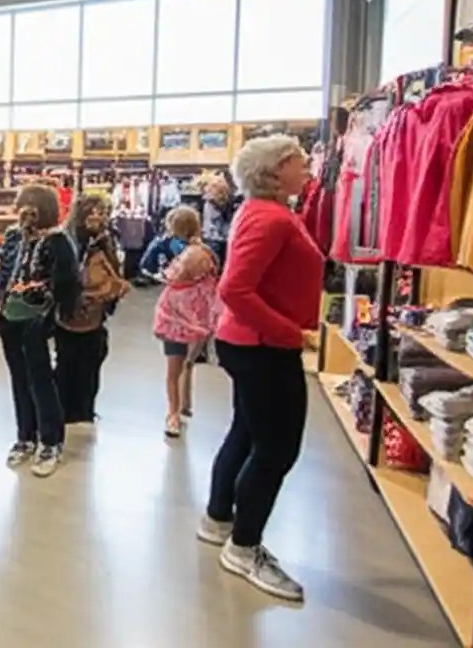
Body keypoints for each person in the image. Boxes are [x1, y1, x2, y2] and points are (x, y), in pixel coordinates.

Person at [197, 134, 322, 603]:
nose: (307, 162)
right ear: (273, 171)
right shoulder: (269, 218)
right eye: (297, 158)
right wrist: (293, 333)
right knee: (276, 449)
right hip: (262, 347)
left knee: (247, 433)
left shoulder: (266, 212)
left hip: (252, 342)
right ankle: (244, 546)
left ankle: (218, 519)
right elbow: (235, 288)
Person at [0, 185, 79, 477]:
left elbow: (66, 285)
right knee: (19, 378)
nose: (22, 211)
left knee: (40, 379)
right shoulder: (13, 236)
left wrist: (46, 308)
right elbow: (4, 273)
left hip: (38, 319)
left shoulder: (58, 242)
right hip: (10, 317)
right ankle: (25, 435)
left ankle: (51, 441)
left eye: (27, 205)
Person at [143, 206, 219, 439]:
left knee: (172, 369)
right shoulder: (207, 251)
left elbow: (168, 274)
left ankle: (173, 414)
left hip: (175, 316)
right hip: (200, 316)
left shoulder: (178, 251)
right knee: (189, 363)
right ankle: (186, 402)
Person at [54, 194, 128, 424]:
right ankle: (65, 410)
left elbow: (117, 274)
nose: (97, 216)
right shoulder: (66, 240)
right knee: (67, 363)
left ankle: (85, 411)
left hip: (95, 315)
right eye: (92, 211)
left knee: (91, 363)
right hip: (68, 314)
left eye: (102, 212)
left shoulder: (106, 241)